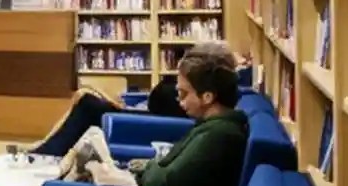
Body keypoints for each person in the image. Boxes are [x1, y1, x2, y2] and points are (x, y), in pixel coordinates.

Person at [63, 50, 250, 186]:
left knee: (88, 165)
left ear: (207, 97)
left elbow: (163, 180)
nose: (179, 100)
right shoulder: (212, 127)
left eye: (184, 94)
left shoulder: (218, 136)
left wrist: (148, 167)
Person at [28, 41, 241, 157]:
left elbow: (161, 109)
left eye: (183, 93)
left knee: (85, 102)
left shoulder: (197, 109)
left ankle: (46, 151)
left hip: (146, 119)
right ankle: (46, 146)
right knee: (85, 98)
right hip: (143, 112)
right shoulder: (198, 96)